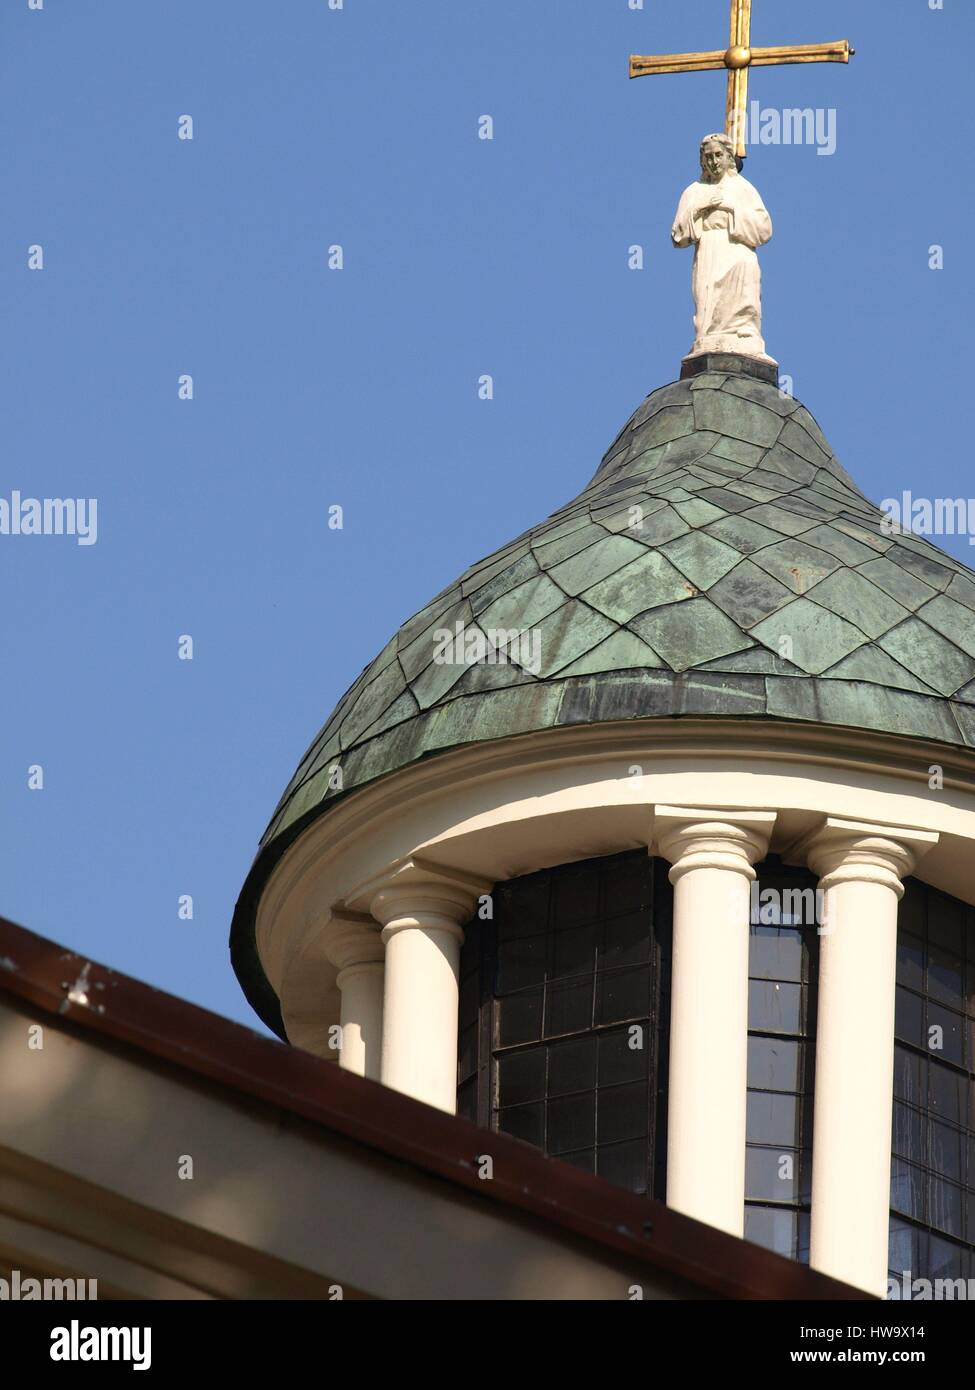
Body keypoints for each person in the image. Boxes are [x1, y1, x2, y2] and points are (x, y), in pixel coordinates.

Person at [672, 133, 774, 362]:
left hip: (738, 251)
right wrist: (699, 208)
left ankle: (744, 335)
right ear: (702, 160)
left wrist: (731, 208)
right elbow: (678, 236)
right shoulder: (694, 191)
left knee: (741, 300)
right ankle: (707, 337)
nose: (714, 162)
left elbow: (764, 229)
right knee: (708, 300)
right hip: (710, 249)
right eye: (708, 157)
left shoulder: (743, 189)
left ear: (729, 157)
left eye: (719, 155)